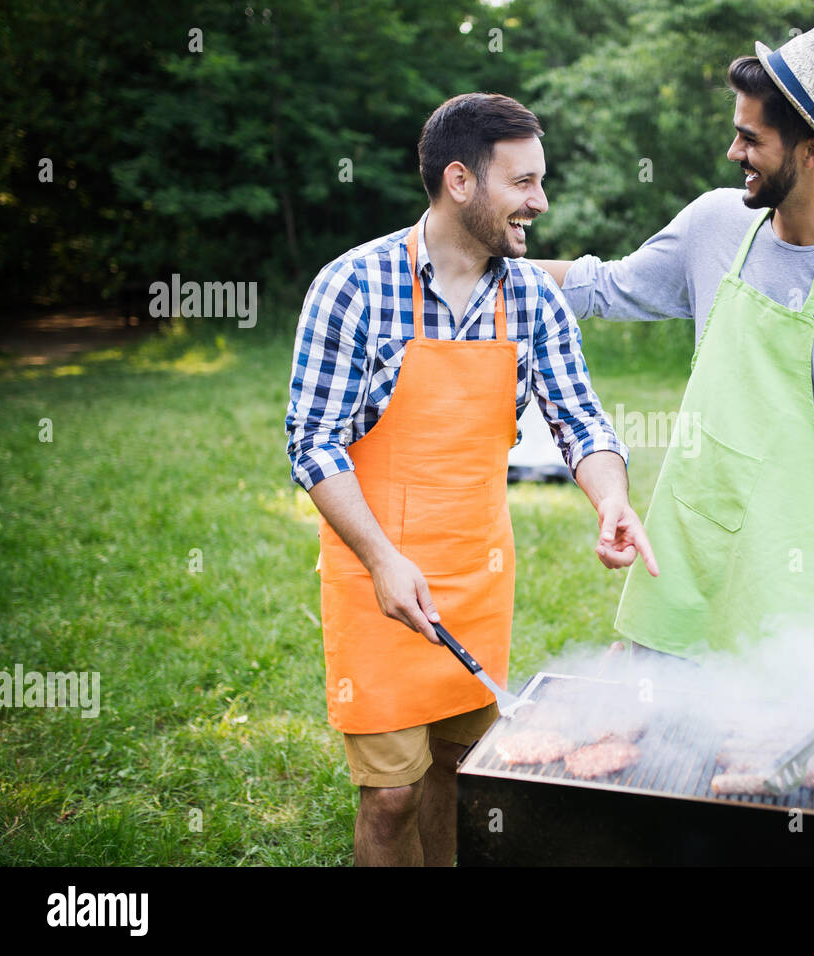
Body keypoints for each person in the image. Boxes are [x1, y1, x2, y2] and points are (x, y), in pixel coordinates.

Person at [533, 26, 814, 715]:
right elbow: (601, 286)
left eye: (751, 139)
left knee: (755, 793)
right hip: (676, 568)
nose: (734, 152)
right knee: (647, 789)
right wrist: (474, 265)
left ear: (813, 151)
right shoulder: (717, 225)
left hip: (790, 594)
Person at [285, 93, 657, 866]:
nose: (540, 202)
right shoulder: (353, 286)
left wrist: (611, 497)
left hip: (475, 578)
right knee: (390, 796)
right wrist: (385, 560)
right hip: (376, 575)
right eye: (522, 183)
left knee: (460, 773)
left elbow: (581, 421)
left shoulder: (530, 299)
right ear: (460, 180)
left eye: (540, 181)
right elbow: (313, 441)